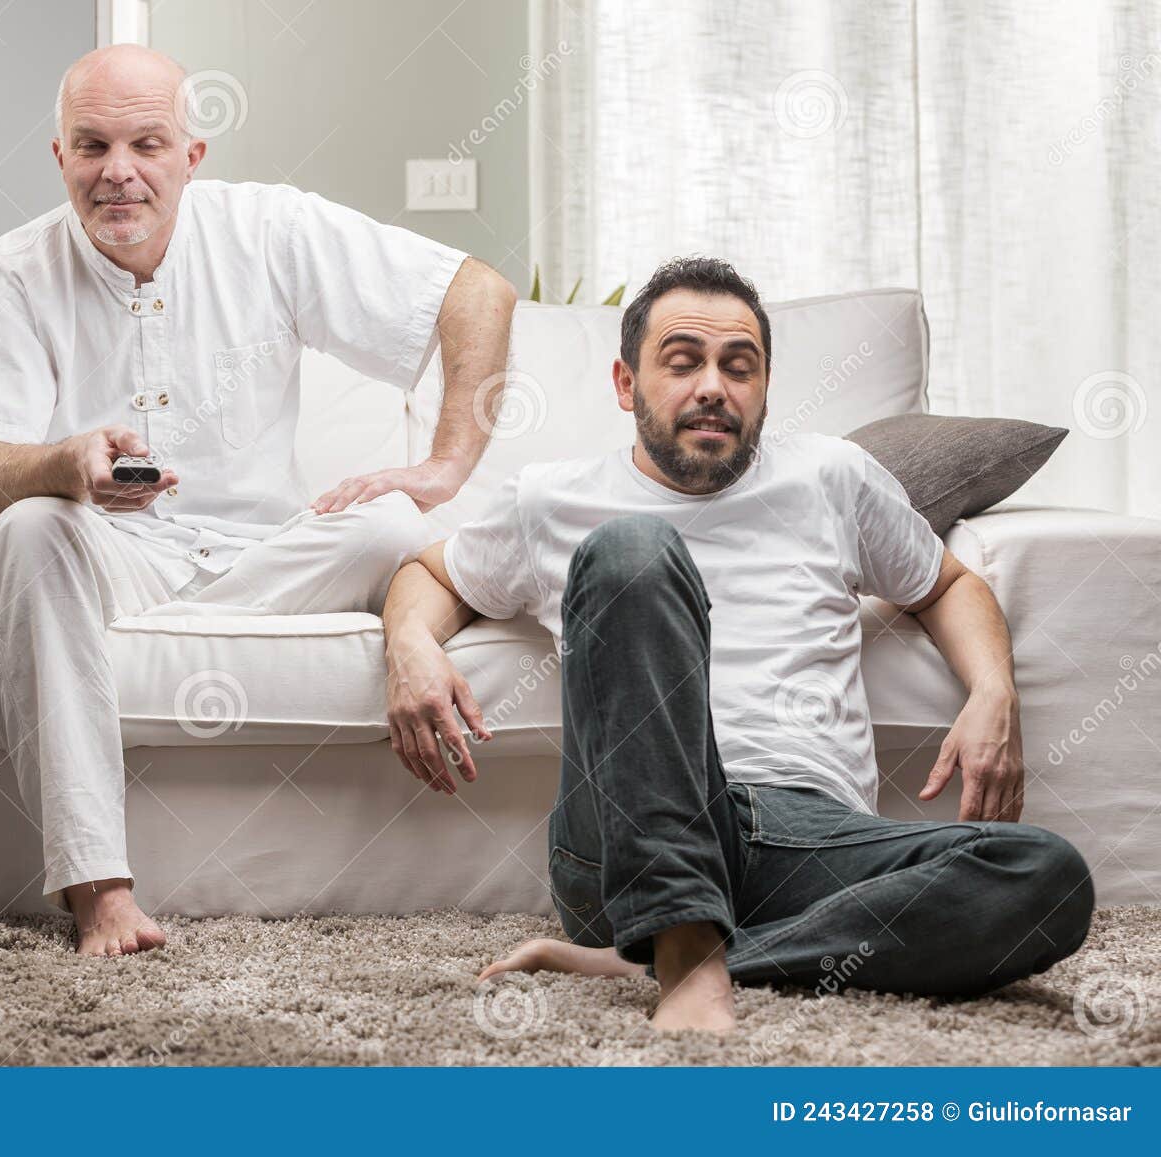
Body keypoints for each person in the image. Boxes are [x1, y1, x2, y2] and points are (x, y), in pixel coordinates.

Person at [380, 256, 1093, 1032]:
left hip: (806, 837)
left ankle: (666, 956)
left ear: (763, 389)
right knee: (631, 552)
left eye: (739, 365)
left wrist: (994, 691)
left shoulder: (833, 477)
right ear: (627, 385)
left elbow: (948, 584)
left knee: (1044, 874)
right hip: (620, 850)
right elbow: (432, 571)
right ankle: (680, 946)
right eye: (682, 362)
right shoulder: (552, 498)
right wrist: (410, 642)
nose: (713, 385)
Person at [0, 45, 516, 956]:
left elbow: (476, 290)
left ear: (191, 157)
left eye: (146, 143)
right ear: (59, 158)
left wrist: (443, 468)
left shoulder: (272, 230)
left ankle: (134, 632)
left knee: (397, 521)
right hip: (109, 558)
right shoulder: (4, 277)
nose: (117, 171)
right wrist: (65, 463)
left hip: (269, 556)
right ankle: (100, 894)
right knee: (29, 529)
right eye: (91, 146)